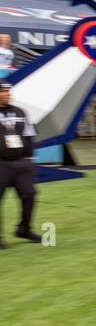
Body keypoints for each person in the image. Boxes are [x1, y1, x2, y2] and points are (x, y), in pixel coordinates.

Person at [0, 80, 40, 246]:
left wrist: (29, 158)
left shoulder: (20, 112)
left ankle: (24, 229)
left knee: (30, 194)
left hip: (21, 163)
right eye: (3, 92)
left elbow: (29, 135)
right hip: (1, 163)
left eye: (8, 91)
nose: (7, 94)